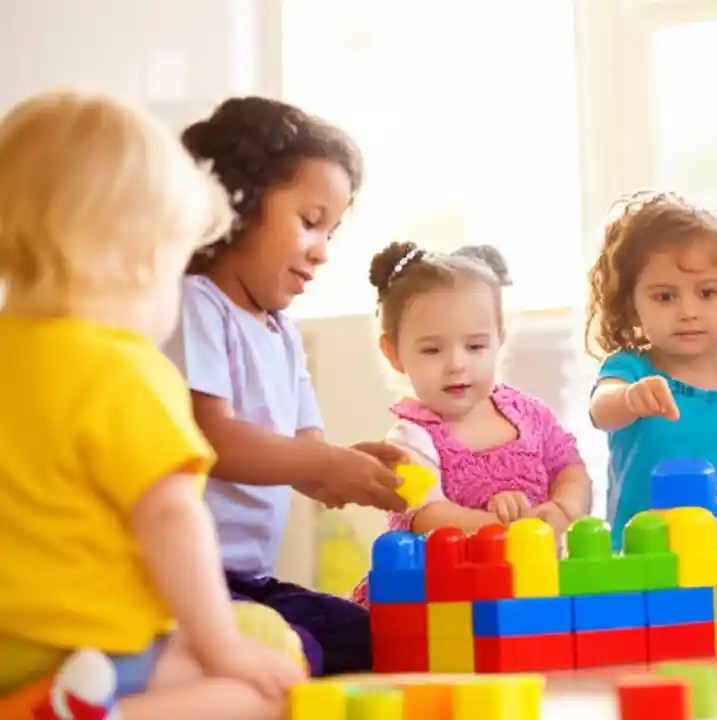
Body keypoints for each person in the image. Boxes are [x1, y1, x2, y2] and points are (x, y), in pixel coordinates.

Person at [0, 90, 301, 719]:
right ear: (145, 262)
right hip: (90, 649)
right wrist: (222, 648)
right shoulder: (124, 370)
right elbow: (170, 519)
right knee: (267, 679)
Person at [163, 97, 409, 676]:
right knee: (291, 651)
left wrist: (344, 467)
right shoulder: (196, 303)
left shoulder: (282, 335)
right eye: (309, 221)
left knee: (376, 640)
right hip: (186, 583)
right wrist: (323, 463)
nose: (322, 251)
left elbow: (304, 456)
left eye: (332, 231)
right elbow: (211, 436)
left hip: (250, 580)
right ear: (238, 204)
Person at [350, 242, 592, 605]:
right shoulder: (411, 438)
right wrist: (500, 528)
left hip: (533, 589)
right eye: (432, 350)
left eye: (475, 347)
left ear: (499, 341)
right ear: (394, 353)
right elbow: (425, 516)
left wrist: (563, 510)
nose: (456, 364)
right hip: (448, 601)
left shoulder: (529, 414)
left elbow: (571, 469)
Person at [588, 190, 717, 549]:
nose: (688, 311)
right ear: (632, 304)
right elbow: (601, 410)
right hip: (643, 560)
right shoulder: (629, 370)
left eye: (707, 293)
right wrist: (629, 399)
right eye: (665, 296)